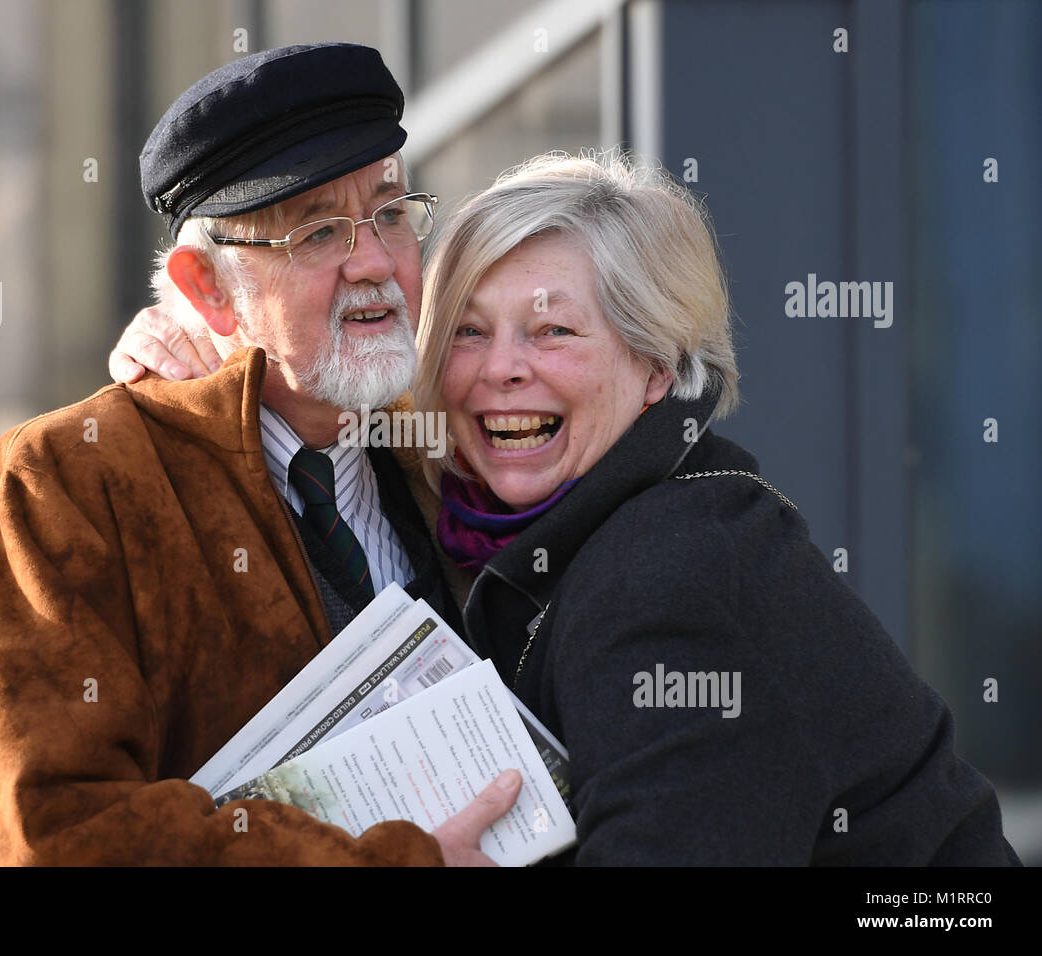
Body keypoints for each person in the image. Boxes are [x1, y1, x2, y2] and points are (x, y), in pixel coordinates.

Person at [119, 150, 1021, 865]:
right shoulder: (516, 533)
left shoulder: (675, 570)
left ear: (657, 370)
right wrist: (215, 347)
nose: (502, 368)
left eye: (553, 330)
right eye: (468, 331)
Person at [0, 42, 521, 867]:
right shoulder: (58, 484)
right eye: (319, 232)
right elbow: (55, 837)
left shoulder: (454, 450)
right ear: (210, 288)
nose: (375, 264)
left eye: (391, 214)